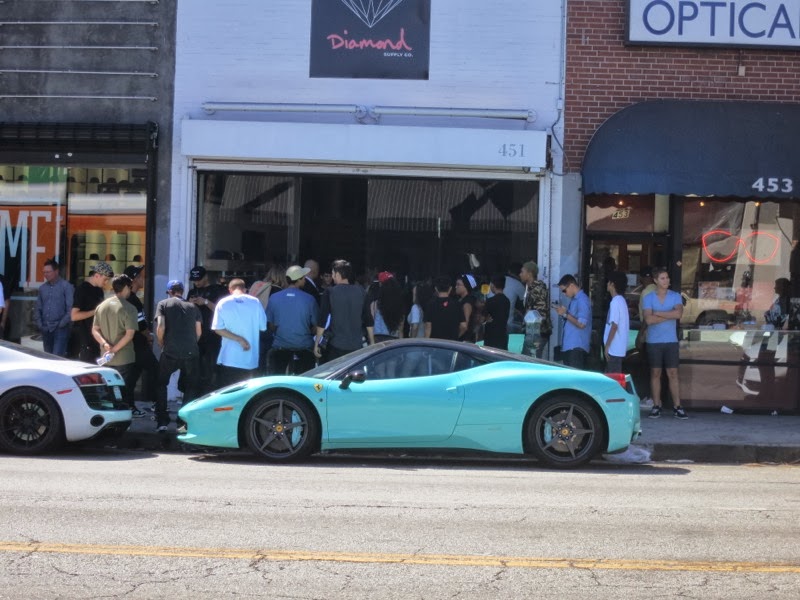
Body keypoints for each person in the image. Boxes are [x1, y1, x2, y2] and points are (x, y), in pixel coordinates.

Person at [92, 274, 143, 416]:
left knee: (107, 390)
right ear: (126, 287)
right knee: (123, 391)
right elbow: (130, 334)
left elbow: (94, 330)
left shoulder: (101, 306)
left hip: (105, 357)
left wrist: (104, 344)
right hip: (124, 358)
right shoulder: (129, 308)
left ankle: (108, 417)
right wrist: (114, 349)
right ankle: (121, 419)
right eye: (130, 287)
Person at [155, 280, 202, 431]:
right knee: (190, 387)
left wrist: (161, 343)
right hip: (190, 352)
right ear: (182, 291)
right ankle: (183, 423)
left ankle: (162, 422)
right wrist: (191, 344)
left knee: (161, 384)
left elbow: (161, 326)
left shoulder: (163, 304)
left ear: (169, 291)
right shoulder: (193, 307)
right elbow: (198, 332)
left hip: (170, 351)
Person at [643, 267, 686, 419]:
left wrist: (658, 313)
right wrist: (669, 315)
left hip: (671, 341)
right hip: (654, 341)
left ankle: (677, 406)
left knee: (673, 373)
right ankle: (656, 405)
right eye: (662, 278)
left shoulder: (675, 296)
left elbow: (679, 313)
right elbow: (648, 319)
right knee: (655, 373)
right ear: (655, 280)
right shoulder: (648, 298)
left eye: (667, 278)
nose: (666, 280)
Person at [212, 278, 267, 386]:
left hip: (229, 358)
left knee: (229, 393)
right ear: (245, 289)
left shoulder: (223, 303)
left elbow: (217, 329)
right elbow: (263, 327)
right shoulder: (255, 302)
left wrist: (238, 339)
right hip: (250, 359)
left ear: (230, 290)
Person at [266, 265, 319, 375]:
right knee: (305, 381)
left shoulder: (274, 297)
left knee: (276, 380)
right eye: (303, 277)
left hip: (280, 346)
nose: (305, 279)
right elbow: (316, 326)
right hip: (304, 346)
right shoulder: (309, 299)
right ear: (299, 280)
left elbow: (271, 325)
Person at [313, 259, 366, 362]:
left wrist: (317, 343)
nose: (332, 277)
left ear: (337, 274)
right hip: (357, 344)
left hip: (336, 344)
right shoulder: (361, 291)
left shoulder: (330, 292)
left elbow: (322, 320)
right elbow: (368, 319)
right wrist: (372, 342)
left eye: (333, 273)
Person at [186, 265, 227, 394]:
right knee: (194, 368)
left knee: (211, 367)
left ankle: (211, 393)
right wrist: (189, 304)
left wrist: (205, 302)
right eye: (194, 280)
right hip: (195, 336)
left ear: (206, 277)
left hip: (212, 335)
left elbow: (222, 311)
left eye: (198, 279)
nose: (196, 282)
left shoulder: (218, 290)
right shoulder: (192, 292)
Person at [123, 264, 158, 409]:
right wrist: (149, 335)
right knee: (157, 371)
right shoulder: (132, 300)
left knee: (132, 377)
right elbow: (139, 324)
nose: (143, 279)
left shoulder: (132, 299)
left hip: (134, 345)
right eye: (140, 276)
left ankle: (129, 405)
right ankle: (158, 403)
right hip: (138, 344)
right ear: (134, 279)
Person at [71, 261, 113, 363]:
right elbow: (74, 316)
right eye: (105, 279)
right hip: (84, 337)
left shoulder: (99, 290)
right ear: (97, 276)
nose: (106, 282)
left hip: (96, 337)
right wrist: (96, 312)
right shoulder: (82, 290)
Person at [33, 259, 74, 356]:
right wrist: (40, 324)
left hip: (60, 328)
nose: (46, 274)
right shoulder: (42, 288)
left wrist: (61, 324)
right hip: (46, 328)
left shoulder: (66, 286)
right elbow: (38, 307)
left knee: (57, 358)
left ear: (56, 271)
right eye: (44, 272)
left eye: (48, 272)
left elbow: (70, 309)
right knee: (47, 357)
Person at [554, 274, 591, 369]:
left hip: (576, 347)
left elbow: (582, 324)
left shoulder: (582, 300)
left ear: (571, 285)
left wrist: (566, 314)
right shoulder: (574, 300)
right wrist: (564, 313)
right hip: (570, 346)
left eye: (564, 290)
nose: (564, 293)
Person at [520, 261, 552, 358]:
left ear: (529, 274)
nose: (520, 274)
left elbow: (540, 313)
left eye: (522, 272)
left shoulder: (537, 289)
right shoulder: (529, 289)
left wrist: (532, 333)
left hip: (536, 334)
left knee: (530, 362)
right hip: (533, 333)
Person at [366, 271, 405, 343]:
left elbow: (370, 326)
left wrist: (371, 343)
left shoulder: (374, 305)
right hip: (394, 341)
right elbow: (401, 331)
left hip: (378, 341)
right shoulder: (399, 306)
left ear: (381, 285)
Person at [424, 275, 466, 341]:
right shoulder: (457, 304)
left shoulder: (431, 304)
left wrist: (426, 343)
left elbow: (428, 326)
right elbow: (463, 326)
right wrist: (455, 337)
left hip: (435, 343)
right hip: (451, 344)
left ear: (436, 289)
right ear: (450, 289)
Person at [603, 271, 630, 373]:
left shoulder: (615, 302)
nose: (607, 284)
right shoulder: (621, 300)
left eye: (608, 282)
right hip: (619, 348)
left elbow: (614, 326)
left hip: (614, 348)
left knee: (612, 379)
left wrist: (607, 346)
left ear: (612, 284)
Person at [483, 274, 511, 350]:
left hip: (491, 338)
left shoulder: (490, 301)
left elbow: (483, 317)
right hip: (503, 337)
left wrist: (485, 320)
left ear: (492, 285)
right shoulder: (507, 301)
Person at [455, 274, 480, 342]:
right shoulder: (463, 300)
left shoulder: (467, 303)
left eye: (458, 284)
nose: (456, 287)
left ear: (466, 287)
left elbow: (464, 326)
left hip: (464, 340)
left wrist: (455, 338)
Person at [503, 262, 526, 333]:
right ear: (520, 274)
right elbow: (525, 304)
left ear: (509, 271)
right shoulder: (518, 284)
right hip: (508, 324)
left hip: (492, 323)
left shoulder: (495, 281)